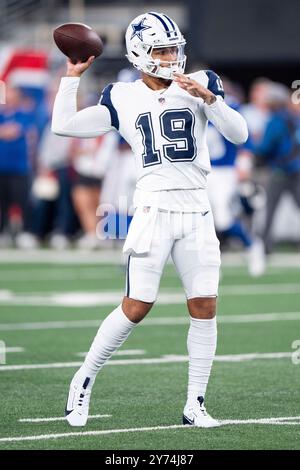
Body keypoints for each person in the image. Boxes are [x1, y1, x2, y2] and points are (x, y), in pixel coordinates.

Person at [52, 11, 248, 428]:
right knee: (137, 305)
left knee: (205, 306)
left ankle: (195, 404)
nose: (172, 57)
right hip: (154, 208)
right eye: (162, 50)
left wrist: (211, 100)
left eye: (175, 49)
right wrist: (71, 77)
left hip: (198, 209)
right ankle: (83, 380)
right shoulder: (121, 96)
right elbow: (63, 125)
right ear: (141, 53)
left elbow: (239, 135)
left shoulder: (202, 83)